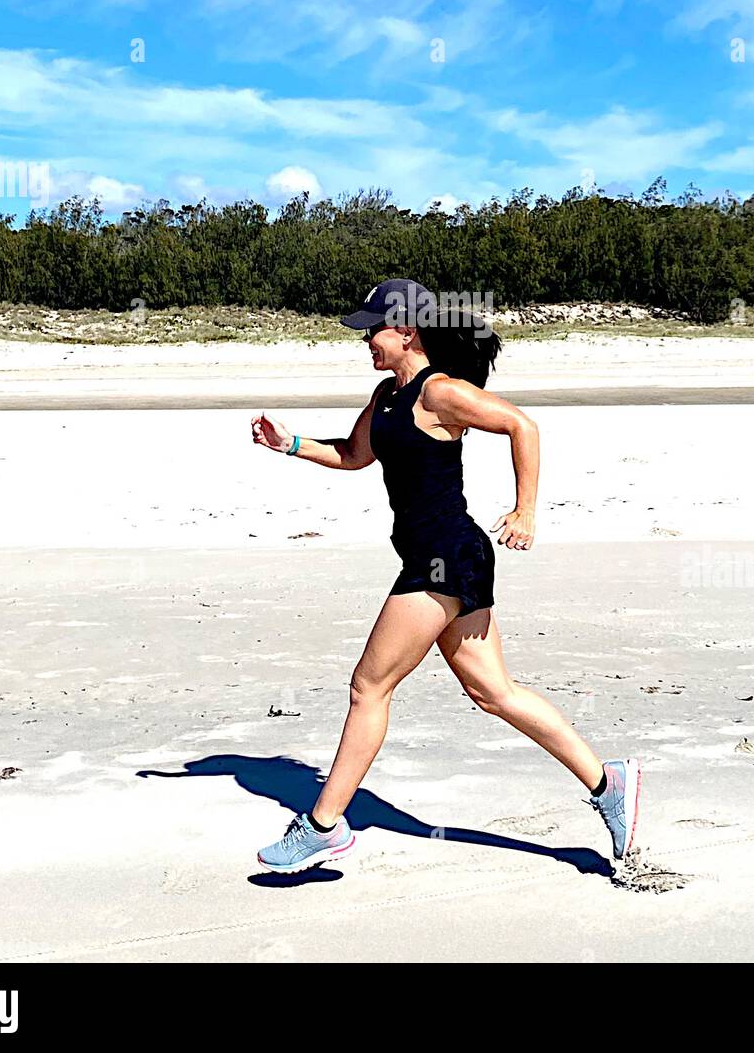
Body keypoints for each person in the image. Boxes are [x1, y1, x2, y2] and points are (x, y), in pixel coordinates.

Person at [251, 278, 640, 873]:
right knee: (495, 693)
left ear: (406, 331)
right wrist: (290, 443)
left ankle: (323, 826)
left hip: (443, 557)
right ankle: (608, 783)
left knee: (368, 687)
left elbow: (522, 426)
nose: (365, 341)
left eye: (372, 330)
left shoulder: (441, 393)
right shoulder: (386, 395)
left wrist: (525, 510)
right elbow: (355, 456)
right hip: (440, 556)